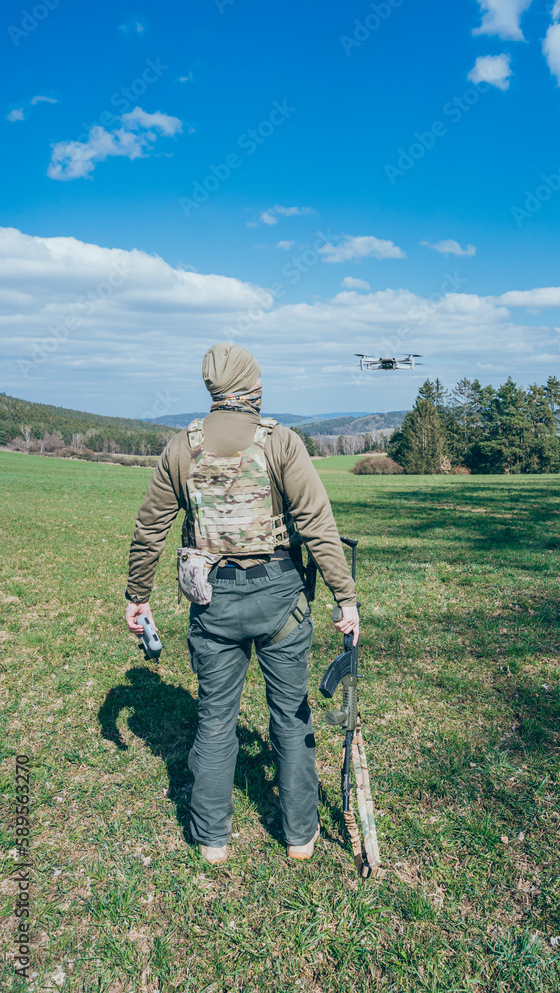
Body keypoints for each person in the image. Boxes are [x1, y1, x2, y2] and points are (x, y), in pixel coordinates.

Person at [124, 342, 359, 865]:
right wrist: (346, 598)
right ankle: (300, 836)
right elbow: (318, 525)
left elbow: (150, 528)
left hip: (212, 601)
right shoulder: (282, 442)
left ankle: (212, 840)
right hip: (280, 598)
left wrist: (137, 596)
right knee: (291, 717)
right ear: (252, 388)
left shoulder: (180, 447)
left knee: (214, 718)